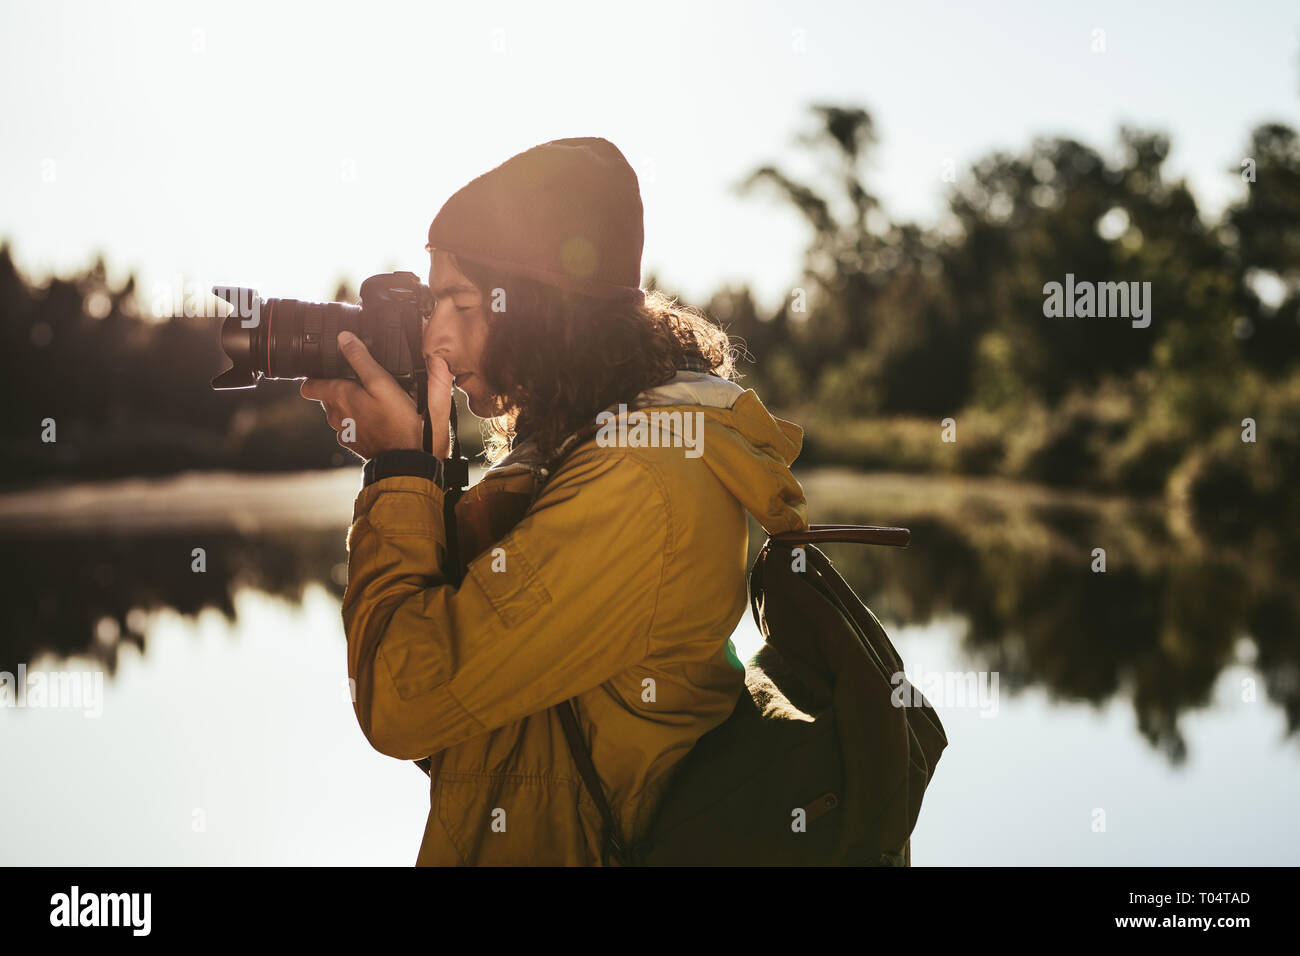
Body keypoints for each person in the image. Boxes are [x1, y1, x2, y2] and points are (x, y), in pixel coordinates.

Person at [300, 136, 809, 865]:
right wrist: (427, 468)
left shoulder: (636, 482)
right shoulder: (593, 449)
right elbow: (474, 729)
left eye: (461, 302)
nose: (433, 337)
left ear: (541, 309)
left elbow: (406, 702)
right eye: (430, 302)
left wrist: (397, 468)